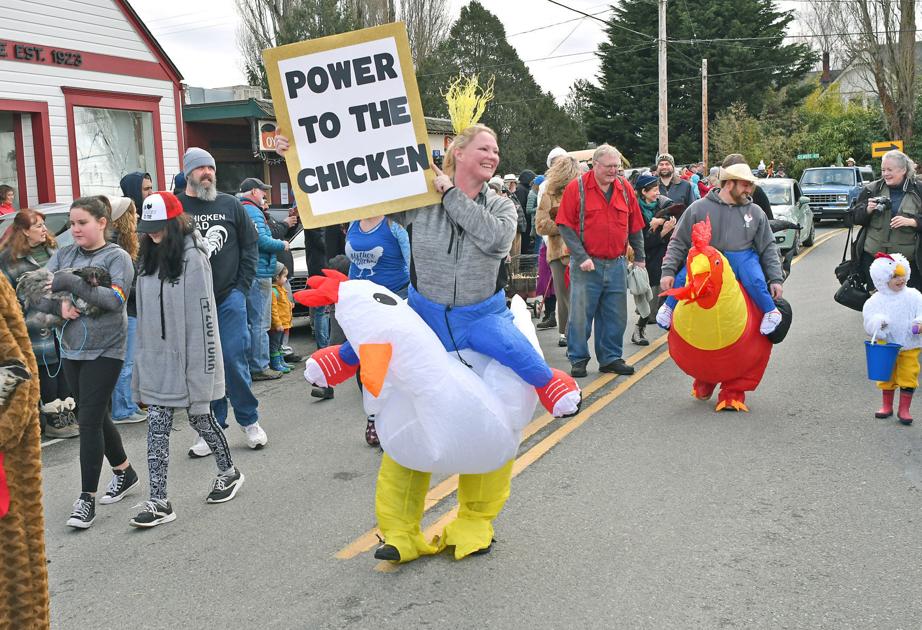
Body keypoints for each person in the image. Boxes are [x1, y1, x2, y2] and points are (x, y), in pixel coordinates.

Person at [277, 124, 581, 563]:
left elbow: (494, 240)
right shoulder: (418, 202)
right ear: (457, 153)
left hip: (483, 319)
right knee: (406, 432)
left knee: (493, 426)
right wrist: (299, 158)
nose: (494, 155)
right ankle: (400, 532)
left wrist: (449, 196)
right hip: (425, 319)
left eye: (496, 149)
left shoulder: (502, 206)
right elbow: (354, 191)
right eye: (484, 148)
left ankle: (475, 520)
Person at [131, 191, 244, 528]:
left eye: (158, 225)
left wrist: (202, 374)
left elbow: (203, 321)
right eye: (147, 226)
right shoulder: (146, 259)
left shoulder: (194, 258)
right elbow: (147, 320)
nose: (151, 232)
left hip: (190, 360)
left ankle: (228, 471)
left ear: (174, 222)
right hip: (157, 362)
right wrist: (140, 372)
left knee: (201, 420)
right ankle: (158, 500)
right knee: (156, 427)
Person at [31, 196, 139, 528]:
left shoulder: (117, 257)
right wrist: (58, 308)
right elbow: (34, 293)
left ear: (102, 223)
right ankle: (124, 472)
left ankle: (86, 500)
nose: (74, 229)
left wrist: (71, 282)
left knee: (89, 421)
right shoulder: (64, 254)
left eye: (82, 223)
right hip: (72, 347)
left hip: (107, 349)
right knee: (92, 412)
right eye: (72, 223)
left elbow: (113, 299)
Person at [176, 147, 267, 456]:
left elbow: (250, 246)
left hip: (229, 297)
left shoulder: (230, 204)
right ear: (188, 172)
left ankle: (249, 420)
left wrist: (242, 288)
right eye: (201, 168)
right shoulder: (175, 207)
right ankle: (211, 429)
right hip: (192, 302)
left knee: (232, 358)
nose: (207, 173)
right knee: (204, 367)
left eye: (211, 168)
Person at [657, 160, 784, 335]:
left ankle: (770, 311)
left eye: (751, 185)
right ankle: (669, 306)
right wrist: (668, 272)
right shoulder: (698, 208)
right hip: (706, 265)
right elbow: (678, 242)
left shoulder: (755, 212)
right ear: (729, 183)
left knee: (755, 278)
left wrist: (776, 278)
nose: (749, 190)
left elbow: (768, 246)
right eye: (745, 185)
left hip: (742, 262)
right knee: (686, 274)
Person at [556, 144, 646, 378]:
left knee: (615, 316)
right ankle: (578, 359)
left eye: (617, 166)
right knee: (580, 316)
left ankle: (610, 358)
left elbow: (635, 225)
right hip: (587, 265)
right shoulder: (577, 188)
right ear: (595, 165)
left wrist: (640, 259)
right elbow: (565, 225)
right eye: (609, 166)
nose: (614, 170)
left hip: (616, 263)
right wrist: (581, 257)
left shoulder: (625, 188)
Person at [0, 208, 78, 438]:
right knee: (45, 370)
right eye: (38, 226)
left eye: (44, 225)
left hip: (61, 322)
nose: (44, 230)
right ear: (24, 231)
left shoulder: (54, 251)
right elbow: (8, 295)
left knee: (64, 369)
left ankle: (68, 414)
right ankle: (53, 420)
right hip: (34, 324)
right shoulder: (9, 260)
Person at [863, 253, 922, 425]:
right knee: (886, 375)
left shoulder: (914, 296)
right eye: (895, 276)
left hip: (910, 344)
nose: (900, 279)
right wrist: (878, 324)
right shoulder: (876, 300)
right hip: (886, 345)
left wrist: (919, 323)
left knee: (909, 374)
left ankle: (904, 409)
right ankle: (886, 405)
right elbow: (869, 320)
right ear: (882, 279)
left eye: (902, 275)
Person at [852, 149, 922, 290]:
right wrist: (867, 210)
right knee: (879, 304)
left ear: (903, 170)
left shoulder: (918, 190)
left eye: (890, 170)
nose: (885, 174)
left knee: (908, 305)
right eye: (883, 170)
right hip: (874, 261)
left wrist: (913, 222)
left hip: (908, 264)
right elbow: (853, 217)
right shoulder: (872, 189)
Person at [239, 177, 288, 381]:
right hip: (259, 273)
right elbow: (261, 240)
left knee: (253, 322)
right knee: (260, 322)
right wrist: (282, 244)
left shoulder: (243, 209)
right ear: (252, 192)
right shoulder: (252, 211)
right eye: (262, 191)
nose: (265, 195)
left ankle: (255, 364)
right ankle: (260, 366)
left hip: (252, 271)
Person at [105, 195, 147, 424]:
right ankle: (122, 409)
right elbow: (123, 281)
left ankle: (129, 403)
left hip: (131, 309)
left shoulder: (125, 240)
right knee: (125, 361)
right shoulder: (116, 244)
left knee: (131, 360)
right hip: (126, 311)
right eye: (133, 212)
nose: (138, 215)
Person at [535, 156, 579, 349]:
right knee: (564, 296)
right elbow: (540, 226)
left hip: (580, 251)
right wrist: (565, 225)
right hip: (557, 253)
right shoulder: (548, 194)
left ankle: (574, 334)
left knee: (578, 296)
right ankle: (567, 333)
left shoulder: (582, 192)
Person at [632, 174, 677, 345]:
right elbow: (643, 241)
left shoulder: (661, 205)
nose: (658, 193)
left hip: (666, 256)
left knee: (670, 296)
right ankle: (638, 330)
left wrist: (661, 221)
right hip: (648, 259)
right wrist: (663, 231)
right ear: (643, 192)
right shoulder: (636, 211)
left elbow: (673, 213)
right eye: (654, 190)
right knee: (649, 300)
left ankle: (675, 332)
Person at [269, 262, 293, 374]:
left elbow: (283, 303)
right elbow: (273, 309)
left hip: (284, 323)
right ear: (277, 277)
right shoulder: (274, 291)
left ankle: (281, 361)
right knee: (274, 345)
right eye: (284, 276)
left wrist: (289, 304)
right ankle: (275, 363)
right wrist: (277, 324)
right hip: (277, 326)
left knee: (280, 345)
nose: (286, 279)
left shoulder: (280, 289)